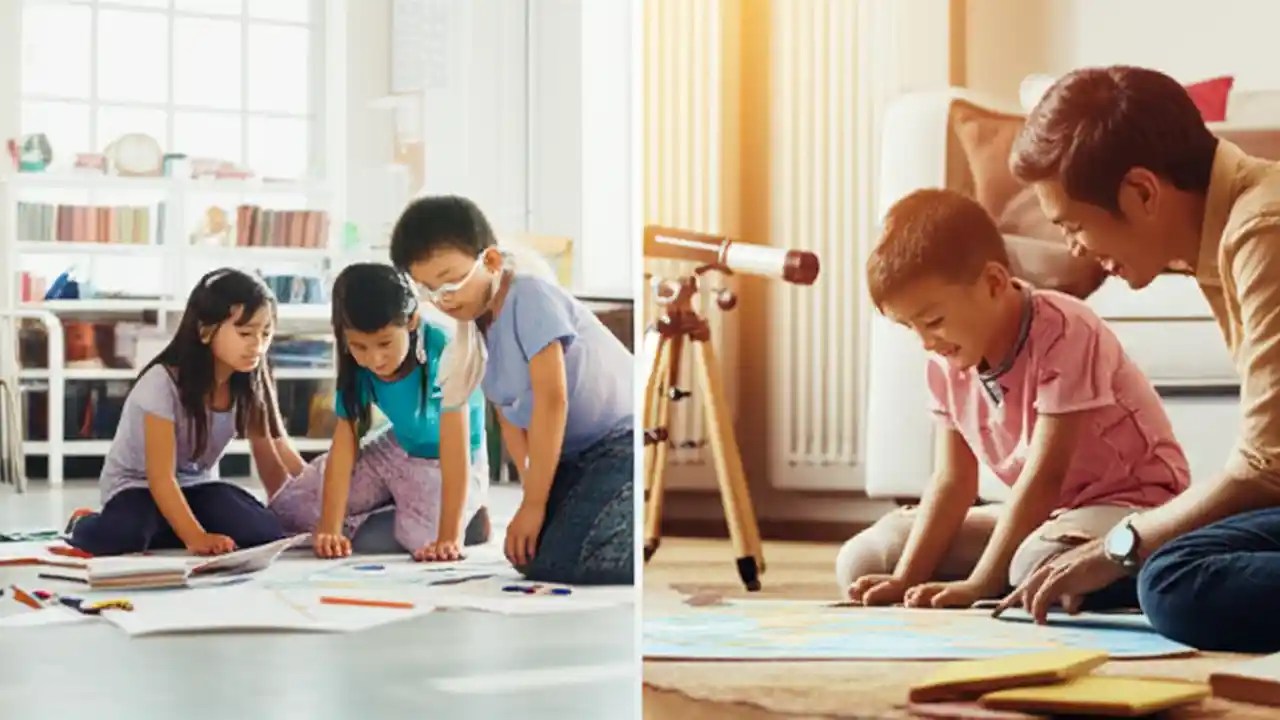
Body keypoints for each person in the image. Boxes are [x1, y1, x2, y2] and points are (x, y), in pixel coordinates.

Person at [1000, 65, 1280, 652]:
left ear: (1143, 192)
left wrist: (1117, 545)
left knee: (1173, 583)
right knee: (1100, 572)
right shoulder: (1223, 231)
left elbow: (1264, 468)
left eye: (1073, 225)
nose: (1074, 247)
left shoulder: (1263, 229)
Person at [838, 188, 1189, 609]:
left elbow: (1045, 477)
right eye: (909, 327)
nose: (925, 342)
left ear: (993, 283)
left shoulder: (1065, 330)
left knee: (1033, 563)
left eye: (933, 321)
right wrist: (904, 577)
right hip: (1051, 517)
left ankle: (1134, 563)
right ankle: (1033, 579)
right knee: (865, 558)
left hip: (1135, 507)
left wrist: (979, 585)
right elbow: (953, 482)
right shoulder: (947, 360)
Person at [390, 195, 634, 585]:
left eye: (450, 280)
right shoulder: (475, 332)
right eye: (428, 290)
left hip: (622, 443)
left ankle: (636, 526)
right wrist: (532, 493)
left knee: (560, 557)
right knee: (530, 554)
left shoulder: (528, 296)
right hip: (575, 458)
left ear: (489, 261)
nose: (443, 298)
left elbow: (552, 400)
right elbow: (511, 419)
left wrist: (537, 504)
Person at [268, 263, 490, 560]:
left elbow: (456, 449)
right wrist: (330, 528)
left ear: (411, 322)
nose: (374, 358)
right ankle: (386, 504)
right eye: (360, 346)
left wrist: (448, 538)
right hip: (398, 446)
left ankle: (468, 518)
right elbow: (344, 446)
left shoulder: (446, 351)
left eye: (385, 343)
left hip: (448, 459)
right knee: (288, 510)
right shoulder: (356, 365)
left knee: (424, 540)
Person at [67, 269, 290, 556]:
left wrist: (294, 511)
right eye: (245, 333)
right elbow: (160, 477)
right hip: (137, 487)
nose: (258, 345)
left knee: (263, 531)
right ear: (205, 330)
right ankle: (83, 522)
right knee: (127, 535)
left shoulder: (250, 382)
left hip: (196, 488)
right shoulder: (162, 382)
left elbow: (272, 460)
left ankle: (168, 527)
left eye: (266, 333)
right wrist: (196, 537)